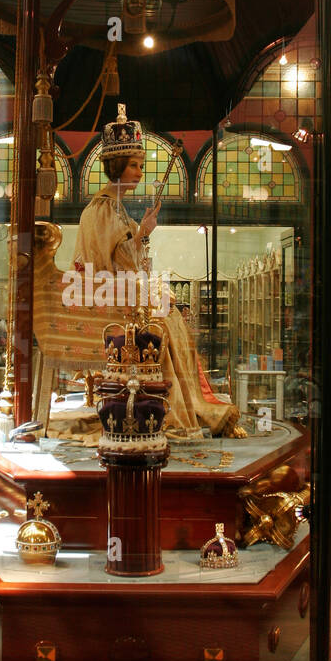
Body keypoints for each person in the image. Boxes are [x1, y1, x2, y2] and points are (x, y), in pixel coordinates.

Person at [73, 103, 240, 437]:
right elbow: (106, 266)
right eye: (134, 165)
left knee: (170, 314)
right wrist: (140, 238)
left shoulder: (116, 209)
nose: (138, 172)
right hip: (110, 303)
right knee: (166, 319)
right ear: (118, 165)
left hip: (123, 295)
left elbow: (128, 256)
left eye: (140, 165)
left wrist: (143, 232)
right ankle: (171, 405)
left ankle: (177, 400)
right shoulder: (102, 209)